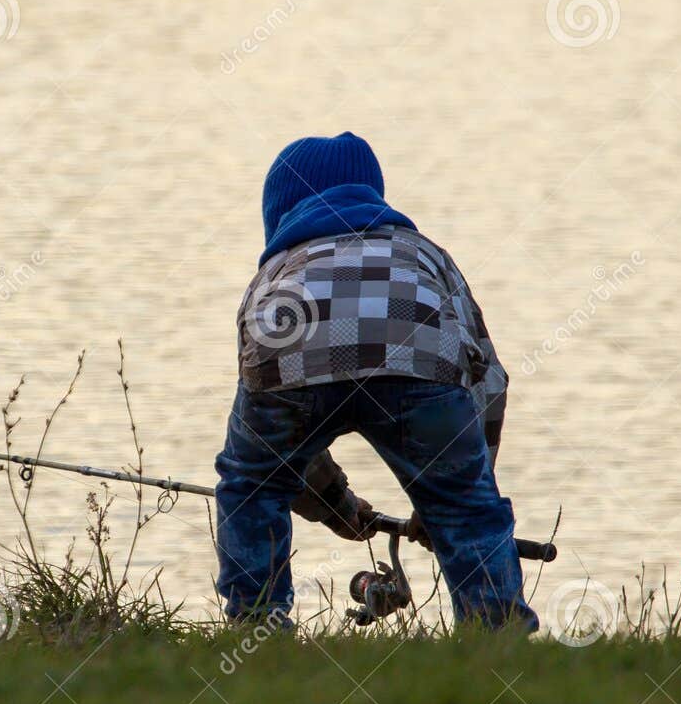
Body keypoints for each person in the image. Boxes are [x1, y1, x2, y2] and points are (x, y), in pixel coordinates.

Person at [214, 132, 537, 631]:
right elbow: (488, 382)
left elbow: (277, 448)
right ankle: (496, 636)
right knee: (467, 509)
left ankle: (258, 628)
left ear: (277, 211)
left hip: (288, 346)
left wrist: (333, 506)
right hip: (416, 353)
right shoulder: (423, 254)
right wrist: (457, 486)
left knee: (252, 489)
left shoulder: (277, 273)